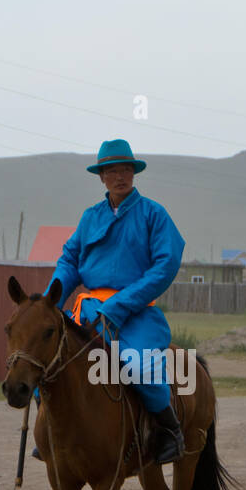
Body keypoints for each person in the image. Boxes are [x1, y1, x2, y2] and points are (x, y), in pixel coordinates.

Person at [31, 139, 186, 463]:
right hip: (87, 312)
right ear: (101, 176)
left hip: (137, 313)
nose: (120, 176)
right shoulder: (90, 218)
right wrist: (50, 302)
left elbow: (164, 266)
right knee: (42, 362)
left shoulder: (154, 215)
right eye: (112, 171)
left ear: (134, 173)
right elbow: (69, 260)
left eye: (126, 169)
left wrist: (118, 305)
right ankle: (52, 431)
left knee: (140, 366)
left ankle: (168, 430)